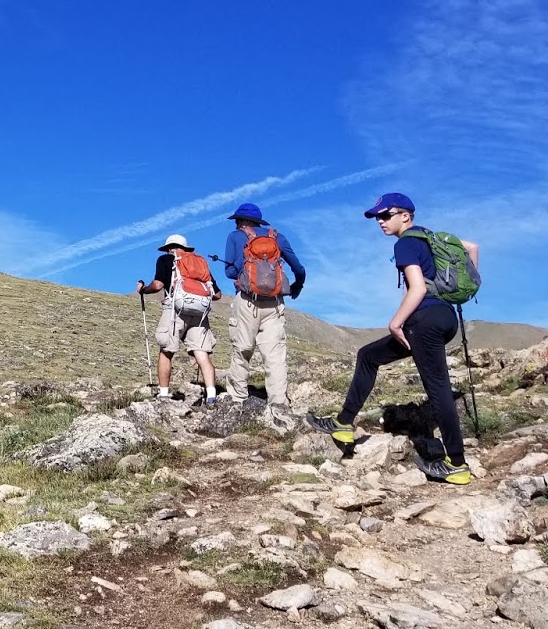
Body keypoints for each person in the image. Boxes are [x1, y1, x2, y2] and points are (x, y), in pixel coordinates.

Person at [306, 193, 475, 484]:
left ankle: (457, 464)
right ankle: (343, 422)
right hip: (445, 319)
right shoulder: (431, 238)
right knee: (369, 355)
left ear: (405, 216)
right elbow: (472, 248)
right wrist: (458, 291)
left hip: (423, 322)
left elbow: (418, 288)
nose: (380, 222)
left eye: (386, 215)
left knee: (437, 388)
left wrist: (396, 322)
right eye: (377, 217)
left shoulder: (406, 243)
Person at [217, 203, 305, 415]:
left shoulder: (235, 237)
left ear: (239, 221)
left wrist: (246, 271)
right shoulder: (277, 237)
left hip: (247, 301)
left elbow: (229, 272)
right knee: (274, 356)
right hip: (275, 304)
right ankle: (278, 404)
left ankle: (237, 400)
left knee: (242, 350)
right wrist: (297, 285)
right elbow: (299, 268)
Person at [136, 234, 223, 404]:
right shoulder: (199, 262)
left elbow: (158, 285)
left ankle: (163, 395)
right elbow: (217, 294)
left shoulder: (166, 259)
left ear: (170, 248)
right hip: (199, 315)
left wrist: (144, 290)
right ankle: (211, 395)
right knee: (202, 353)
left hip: (174, 311)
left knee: (167, 350)